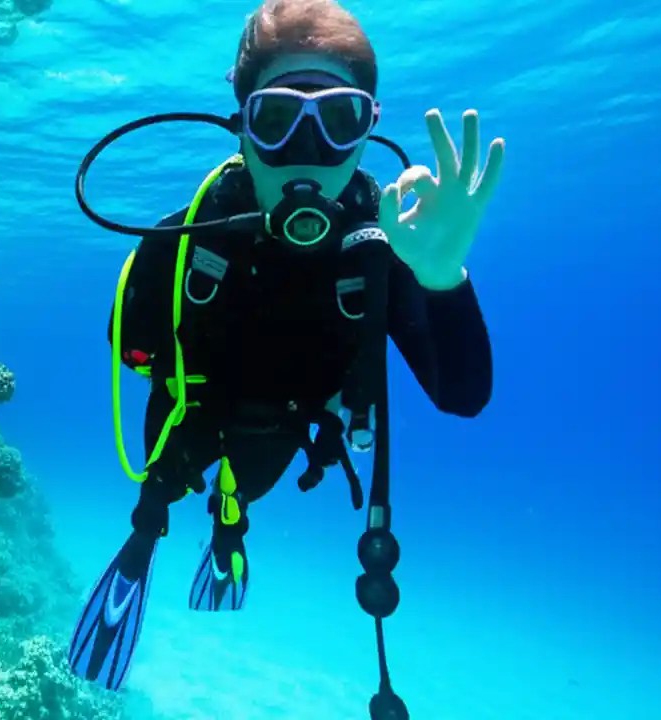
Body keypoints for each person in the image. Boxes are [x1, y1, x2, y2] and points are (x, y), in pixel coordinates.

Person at [66, 0, 503, 717]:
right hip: (190, 421)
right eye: (277, 119)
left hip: (294, 434)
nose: (307, 154)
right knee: (161, 497)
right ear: (242, 125)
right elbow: (131, 346)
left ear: (368, 128)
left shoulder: (389, 249)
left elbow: (463, 394)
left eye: (337, 122)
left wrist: (443, 277)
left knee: (242, 497)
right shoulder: (186, 239)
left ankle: (229, 527)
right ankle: (153, 533)